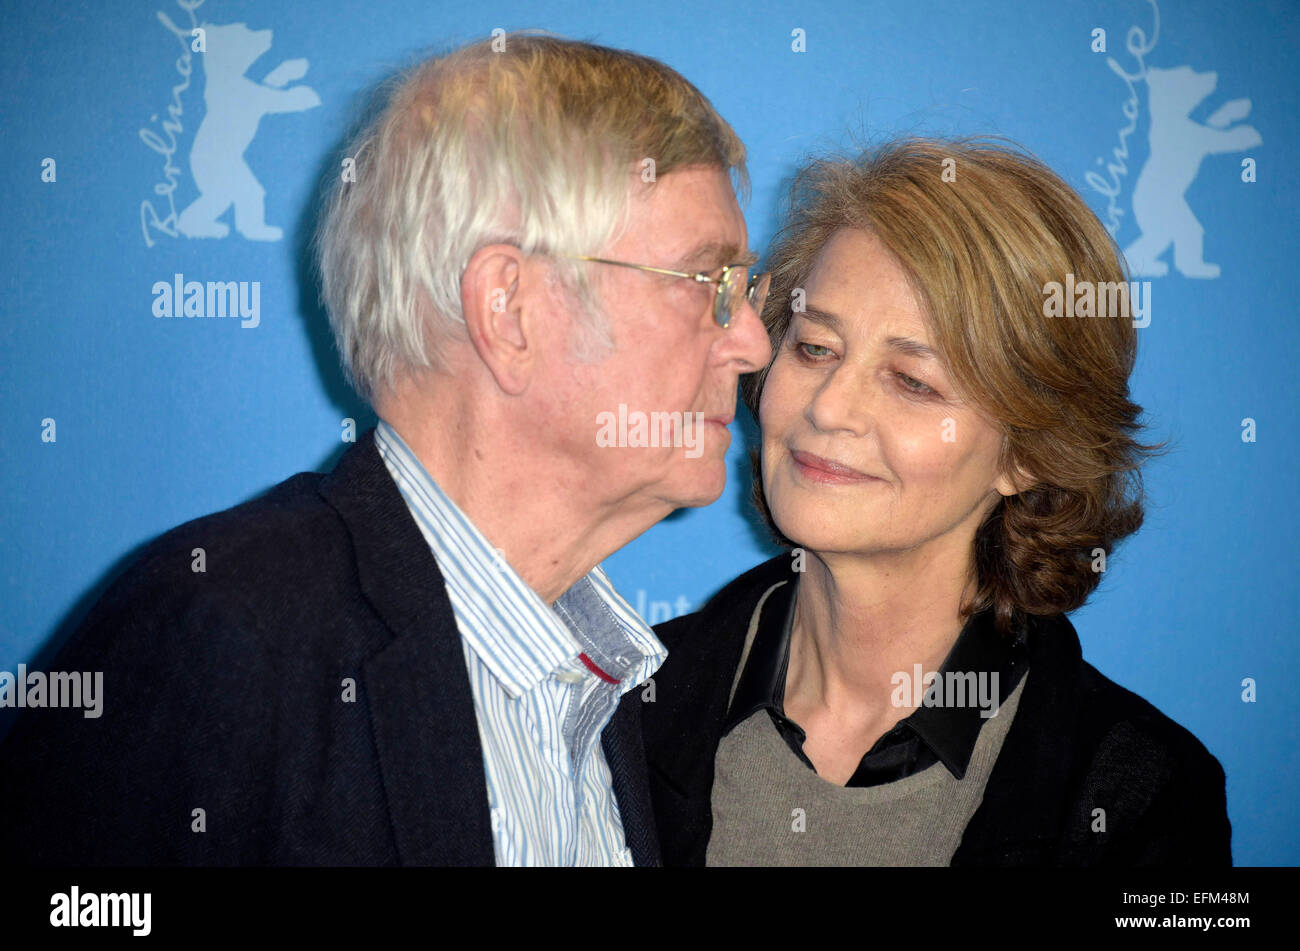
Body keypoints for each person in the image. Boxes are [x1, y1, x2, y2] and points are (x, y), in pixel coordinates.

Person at [0, 32, 771, 866]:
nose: (754, 343)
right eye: (710, 283)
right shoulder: (219, 637)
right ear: (507, 311)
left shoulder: (604, 684)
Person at [643, 137, 1232, 866]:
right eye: (816, 348)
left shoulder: (1136, 796)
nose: (829, 409)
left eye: (913, 382)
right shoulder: (622, 708)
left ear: (1027, 454)